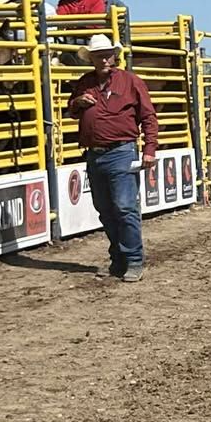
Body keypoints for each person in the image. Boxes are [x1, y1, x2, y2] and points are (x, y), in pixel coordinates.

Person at [64, 33, 159, 281]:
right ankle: (119, 258)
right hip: (95, 153)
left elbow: (148, 117)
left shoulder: (131, 82)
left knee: (124, 208)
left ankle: (133, 259)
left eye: (107, 55)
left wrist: (149, 149)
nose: (104, 59)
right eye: (98, 56)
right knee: (105, 209)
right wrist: (78, 103)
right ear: (92, 59)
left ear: (114, 56)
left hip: (122, 151)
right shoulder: (85, 82)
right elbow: (71, 111)